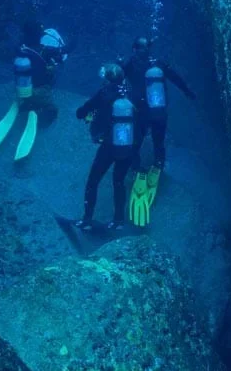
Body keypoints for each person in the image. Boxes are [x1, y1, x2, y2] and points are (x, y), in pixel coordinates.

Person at [124, 37, 195, 226]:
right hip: (159, 112)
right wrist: (187, 92)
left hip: (140, 112)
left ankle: (137, 169)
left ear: (134, 49)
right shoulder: (159, 64)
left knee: (135, 143)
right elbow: (176, 78)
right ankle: (158, 164)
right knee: (158, 142)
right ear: (149, 49)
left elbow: (115, 79)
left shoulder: (130, 64)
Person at [0, 19, 68, 160]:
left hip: (20, 87)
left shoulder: (19, 46)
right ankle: (35, 111)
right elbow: (65, 51)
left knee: (26, 87)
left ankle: (22, 101)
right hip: (40, 90)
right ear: (38, 34)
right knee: (53, 110)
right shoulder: (45, 50)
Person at [74, 63, 136, 231]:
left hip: (109, 146)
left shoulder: (104, 93)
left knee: (93, 181)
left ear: (108, 79)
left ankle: (87, 219)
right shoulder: (131, 92)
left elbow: (84, 110)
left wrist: (81, 113)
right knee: (118, 182)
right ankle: (118, 221)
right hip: (128, 145)